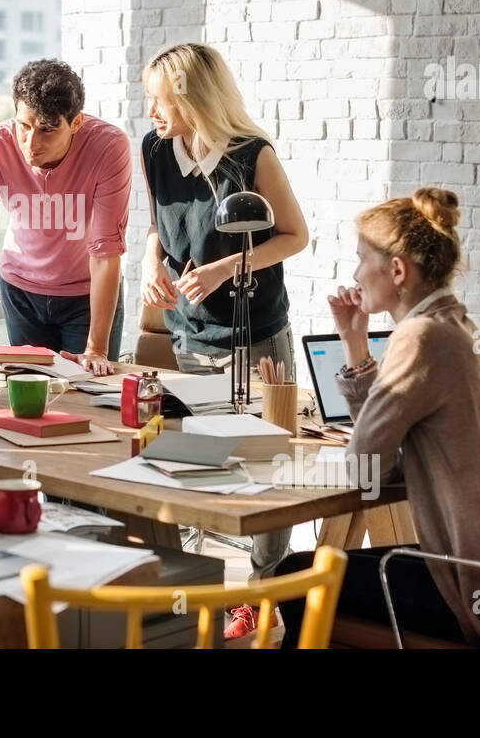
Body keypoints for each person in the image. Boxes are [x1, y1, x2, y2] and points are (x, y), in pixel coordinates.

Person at [275, 187, 480, 648]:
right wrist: (356, 346)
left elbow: (366, 471)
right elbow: (384, 463)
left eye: (362, 259)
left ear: (397, 269)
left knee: (295, 576)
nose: (356, 272)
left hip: (472, 584)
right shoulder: (454, 325)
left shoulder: (418, 338)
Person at [138, 42, 309, 639]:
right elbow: (158, 230)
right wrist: (150, 267)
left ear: (191, 97)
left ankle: (264, 595)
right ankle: (193, 598)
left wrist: (227, 268)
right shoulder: (155, 150)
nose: (151, 111)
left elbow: (294, 236)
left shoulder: (252, 154)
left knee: (268, 467)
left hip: (257, 332)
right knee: (193, 462)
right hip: (191, 335)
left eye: (158, 100)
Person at [0, 59, 131, 375]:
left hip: (86, 294)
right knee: (26, 388)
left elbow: (106, 252)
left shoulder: (109, 147)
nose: (31, 144)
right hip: (21, 291)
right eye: (24, 126)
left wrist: (96, 349)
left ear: (76, 123)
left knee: (88, 390)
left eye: (48, 130)